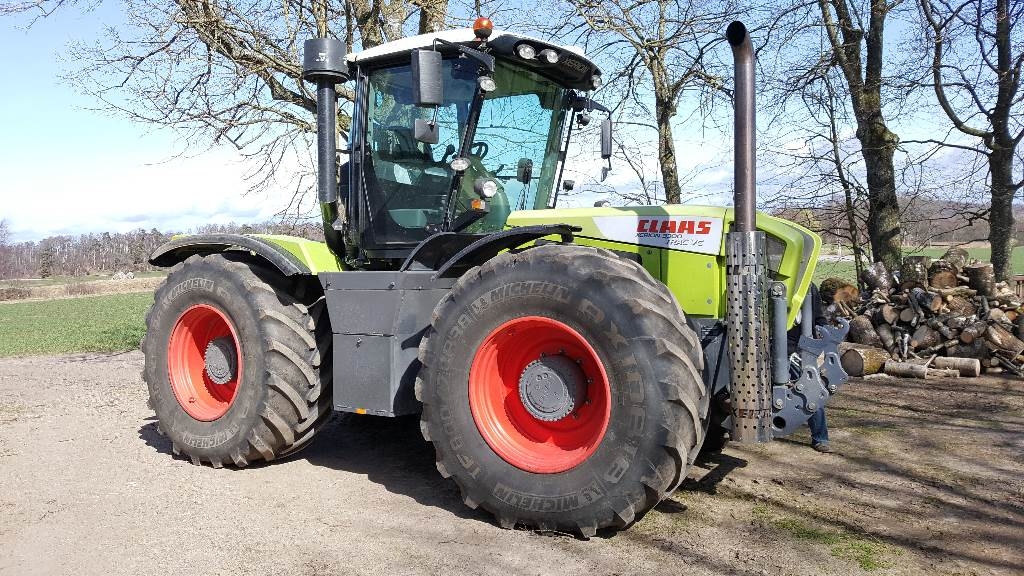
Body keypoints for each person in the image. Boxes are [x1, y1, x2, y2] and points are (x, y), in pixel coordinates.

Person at [787, 283, 831, 453]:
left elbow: (818, 316)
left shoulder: (809, 287)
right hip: (773, 346)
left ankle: (820, 438)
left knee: (812, 390)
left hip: (800, 348)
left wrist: (825, 333)